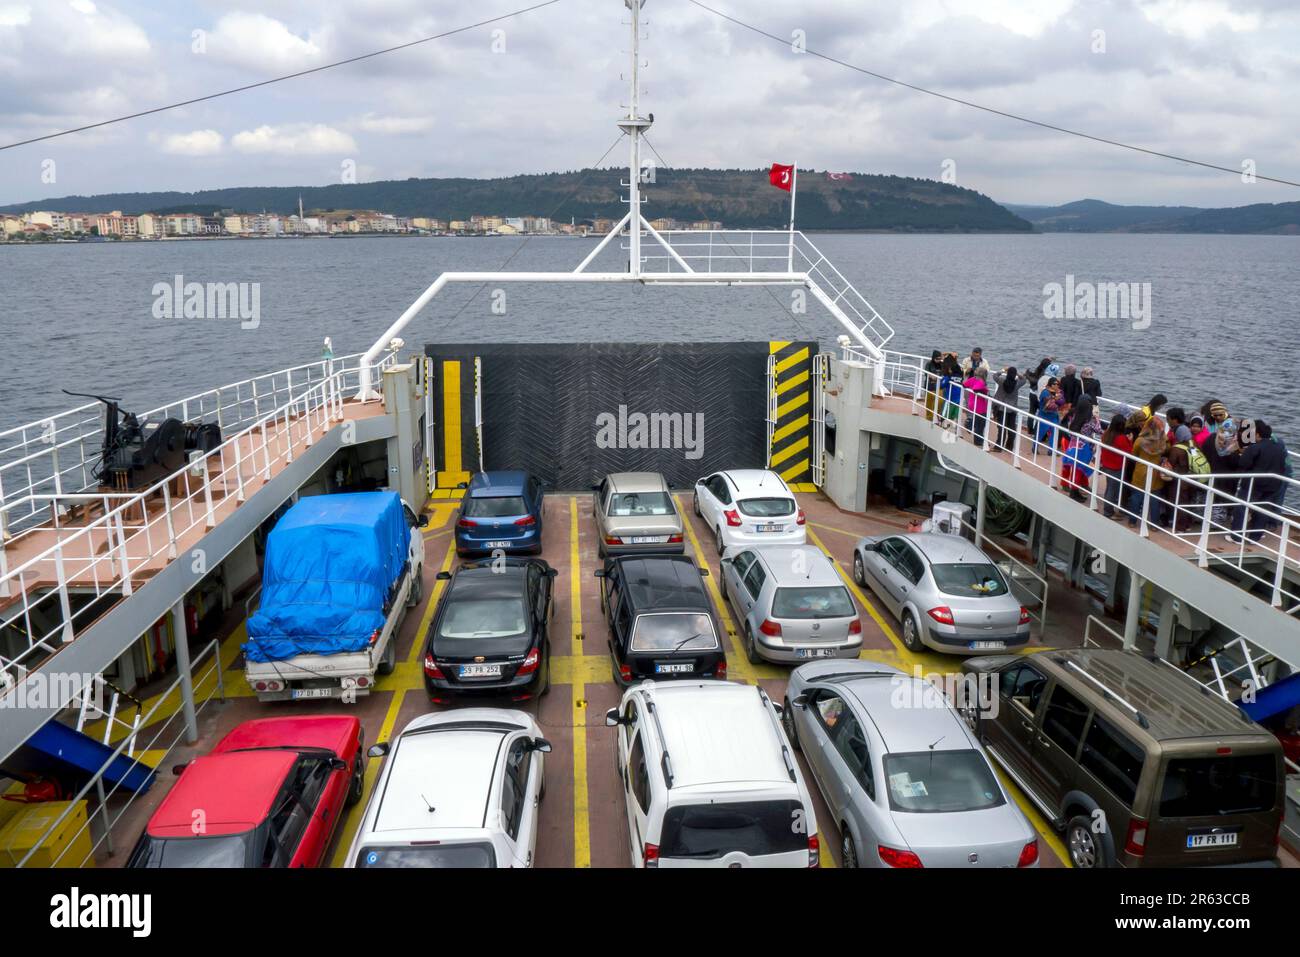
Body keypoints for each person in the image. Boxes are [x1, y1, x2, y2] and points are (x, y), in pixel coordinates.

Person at [1230, 420, 1288, 542]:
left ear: (1257, 434)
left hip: (1254, 484)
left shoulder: (1255, 447)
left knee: (1241, 507)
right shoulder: (1279, 447)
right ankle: (1255, 537)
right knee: (1263, 509)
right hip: (1273, 484)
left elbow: (1243, 463)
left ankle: (1237, 536)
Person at [1128, 416, 1169, 528]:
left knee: (1136, 497)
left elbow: (1134, 454)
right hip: (1156, 472)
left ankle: (1132, 522)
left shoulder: (1140, 441)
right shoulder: (1163, 441)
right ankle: (1154, 525)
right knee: (1154, 499)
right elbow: (1166, 451)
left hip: (1141, 471)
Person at [1099, 413, 1133, 519]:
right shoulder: (1121, 438)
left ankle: (1109, 509)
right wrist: (1130, 440)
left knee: (1110, 488)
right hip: (1116, 467)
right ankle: (1108, 512)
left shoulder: (1106, 434)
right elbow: (1129, 452)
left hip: (1107, 465)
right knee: (1112, 490)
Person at [991, 366, 1024, 451]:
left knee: (1001, 427)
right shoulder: (1017, 384)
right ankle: (1009, 446)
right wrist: (1017, 374)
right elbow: (1024, 380)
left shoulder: (1002, 381)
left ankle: (999, 446)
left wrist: (1002, 370)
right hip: (1012, 409)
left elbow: (995, 376)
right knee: (1011, 427)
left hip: (1001, 408)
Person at [963, 367, 990, 446]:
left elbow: (964, 384)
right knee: (980, 424)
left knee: (977, 422)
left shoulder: (972, 379)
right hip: (980, 406)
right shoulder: (980, 381)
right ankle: (978, 441)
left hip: (972, 403)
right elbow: (976, 389)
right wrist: (985, 391)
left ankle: (970, 424)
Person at [1036, 377, 1062, 453]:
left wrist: (1058, 398)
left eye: (1058, 384)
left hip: (1054, 416)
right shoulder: (1045, 392)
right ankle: (1035, 447)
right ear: (1050, 384)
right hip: (1044, 416)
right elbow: (1047, 404)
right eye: (1055, 384)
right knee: (1040, 433)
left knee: (1054, 434)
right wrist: (1056, 398)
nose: (1057, 385)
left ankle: (1051, 451)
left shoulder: (1058, 392)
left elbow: (1061, 402)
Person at [922, 350, 943, 421]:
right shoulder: (929, 364)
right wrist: (932, 376)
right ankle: (929, 417)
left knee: (940, 401)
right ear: (933, 358)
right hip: (930, 385)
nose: (938, 360)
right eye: (937, 359)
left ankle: (937, 414)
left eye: (940, 359)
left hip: (940, 386)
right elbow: (926, 373)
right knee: (929, 402)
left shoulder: (942, 364)